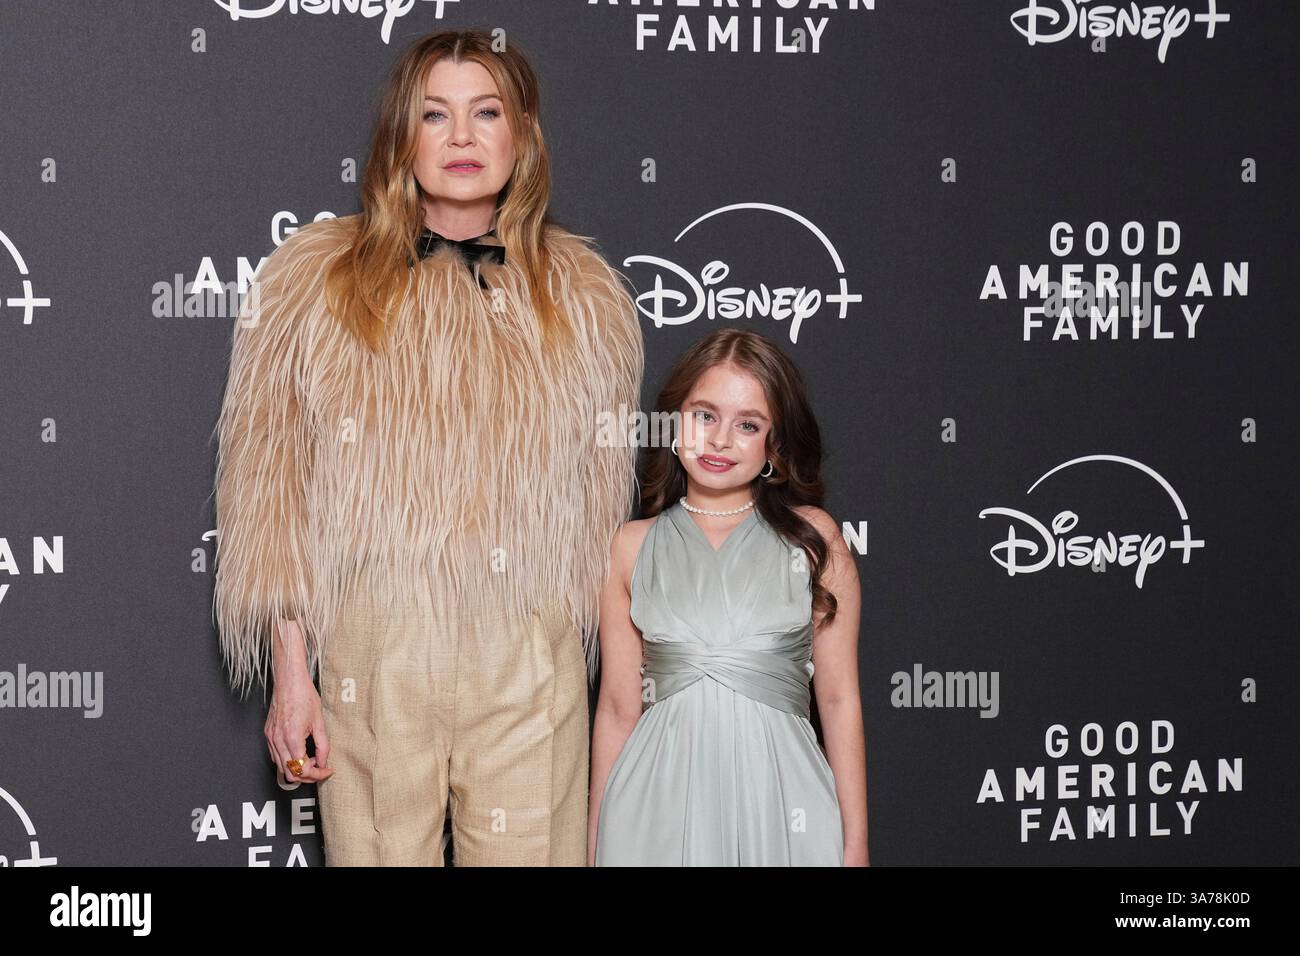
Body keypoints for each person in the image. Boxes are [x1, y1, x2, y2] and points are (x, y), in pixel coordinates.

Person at [210, 30, 644, 866]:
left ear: (522, 135)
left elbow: (598, 520)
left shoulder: (585, 298)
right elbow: (271, 488)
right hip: (373, 643)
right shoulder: (312, 280)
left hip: (529, 647)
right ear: (400, 137)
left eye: (487, 113)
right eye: (435, 115)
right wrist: (291, 672)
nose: (462, 138)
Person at [589, 329, 868, 866]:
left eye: (748, 425)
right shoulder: (631, 546)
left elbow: (837, 700)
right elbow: (618, 710)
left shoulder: (813, 540)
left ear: (774, 443)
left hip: (785, 803)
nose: (720, 440)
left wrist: (855, 846)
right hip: (653, 811)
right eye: (705, 415)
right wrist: (596, 849)